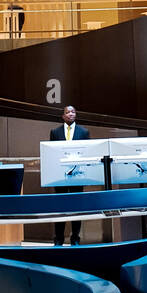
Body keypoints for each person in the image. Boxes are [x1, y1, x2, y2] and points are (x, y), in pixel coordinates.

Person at [49, 105, 90, 245]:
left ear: (76, 114)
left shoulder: (84, 132)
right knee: (60, 208)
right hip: (60, 176)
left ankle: (75, 239)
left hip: (77, 175)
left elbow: (87, 153)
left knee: (76, 208)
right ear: (63, 116)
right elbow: (52, 154)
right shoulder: (55, 132)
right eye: (68, 112)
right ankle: (58, 239)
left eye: (73, 111)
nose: (70, 114)